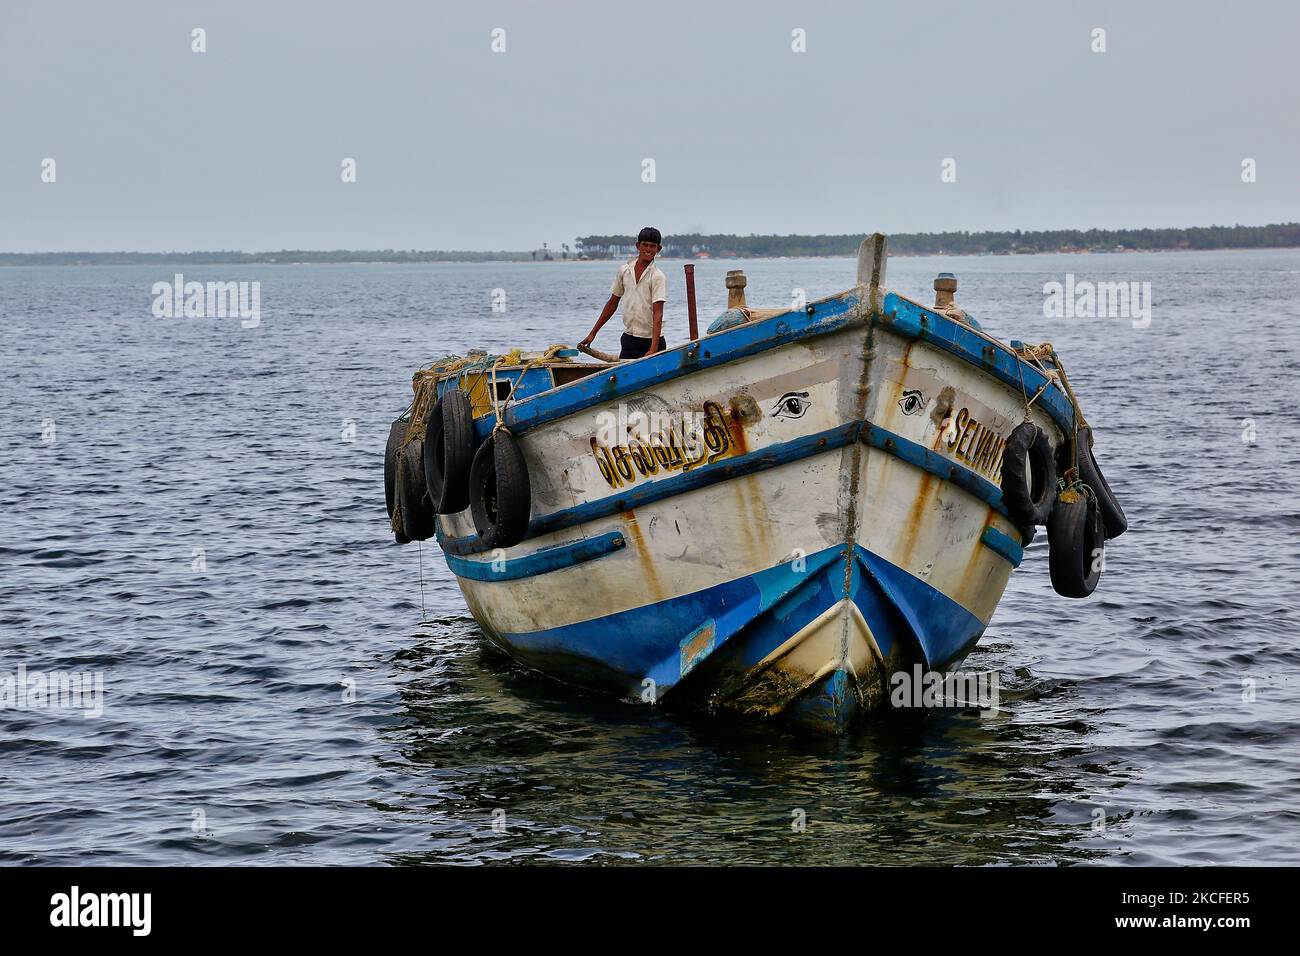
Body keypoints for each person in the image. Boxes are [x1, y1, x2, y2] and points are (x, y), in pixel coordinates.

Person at [579, 227, 667, 360]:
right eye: (645, 245)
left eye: (652, 246)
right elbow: (611, 305)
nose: (648, 250)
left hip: (652, 341)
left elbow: (658, 312)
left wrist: (653, 349)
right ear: (638, 245)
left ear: (658, 249)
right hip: (629, 340)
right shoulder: (624, 271)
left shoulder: (657, 276)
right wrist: (592, 334)